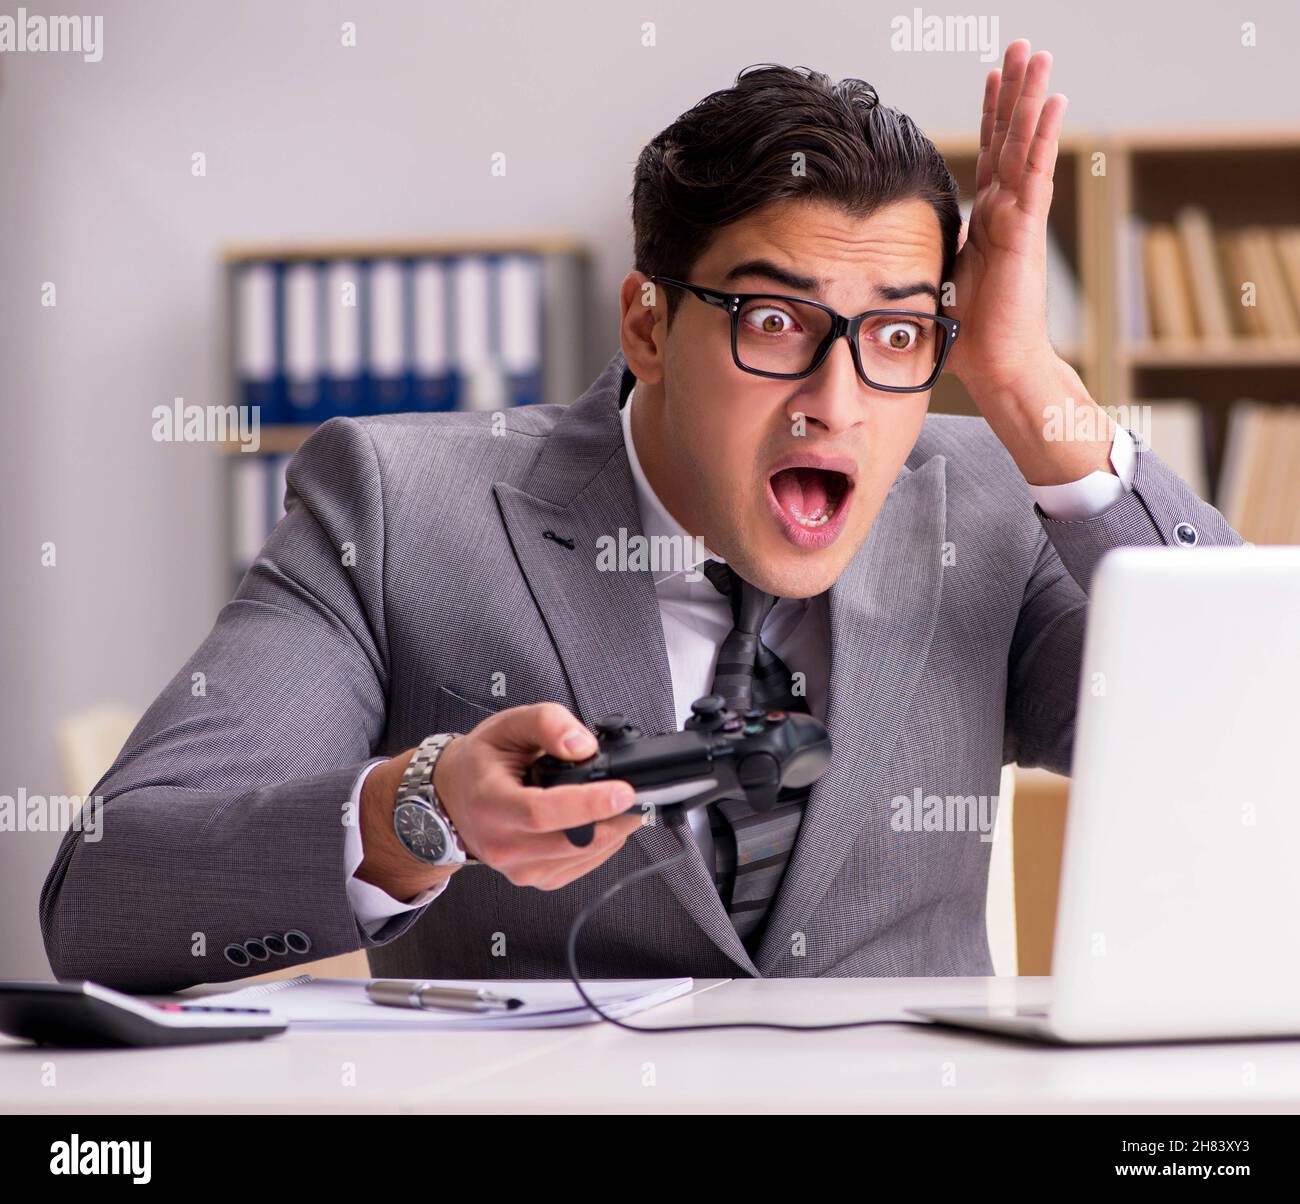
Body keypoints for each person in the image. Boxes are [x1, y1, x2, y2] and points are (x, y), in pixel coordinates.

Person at [41, 42, 1240, 993]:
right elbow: (105, 900)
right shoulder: (398, 505)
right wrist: (422, 810)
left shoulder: (979, 505)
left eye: (894, 334)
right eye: (774, 322)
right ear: (649, 327)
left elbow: (1249, 735)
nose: (837, 404)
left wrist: (1031, 385)